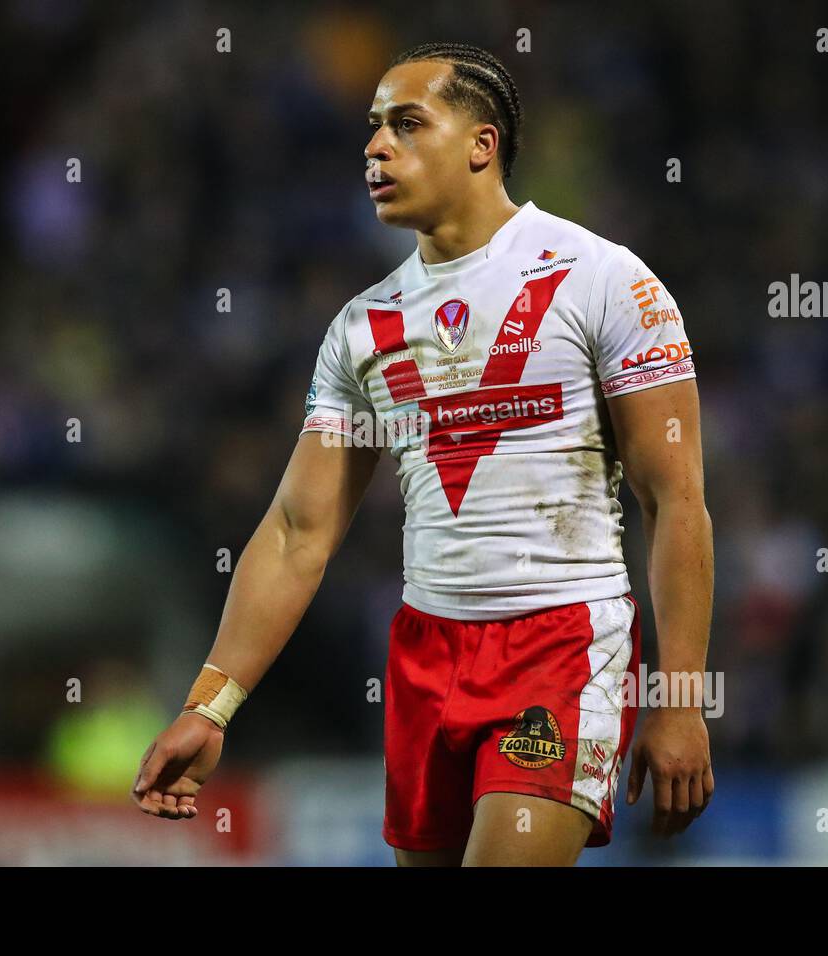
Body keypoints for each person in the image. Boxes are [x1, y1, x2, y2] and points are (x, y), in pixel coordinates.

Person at [133, 41, 714, 866]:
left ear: (482, 144)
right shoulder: (361, 329)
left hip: (563, 646)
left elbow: (674, 500)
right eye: (373, 128)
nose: (375, 147)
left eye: (407, 124)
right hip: (424, 657)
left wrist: (681, 698)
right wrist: (210, 706)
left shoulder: (605, 282)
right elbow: (300, 532)